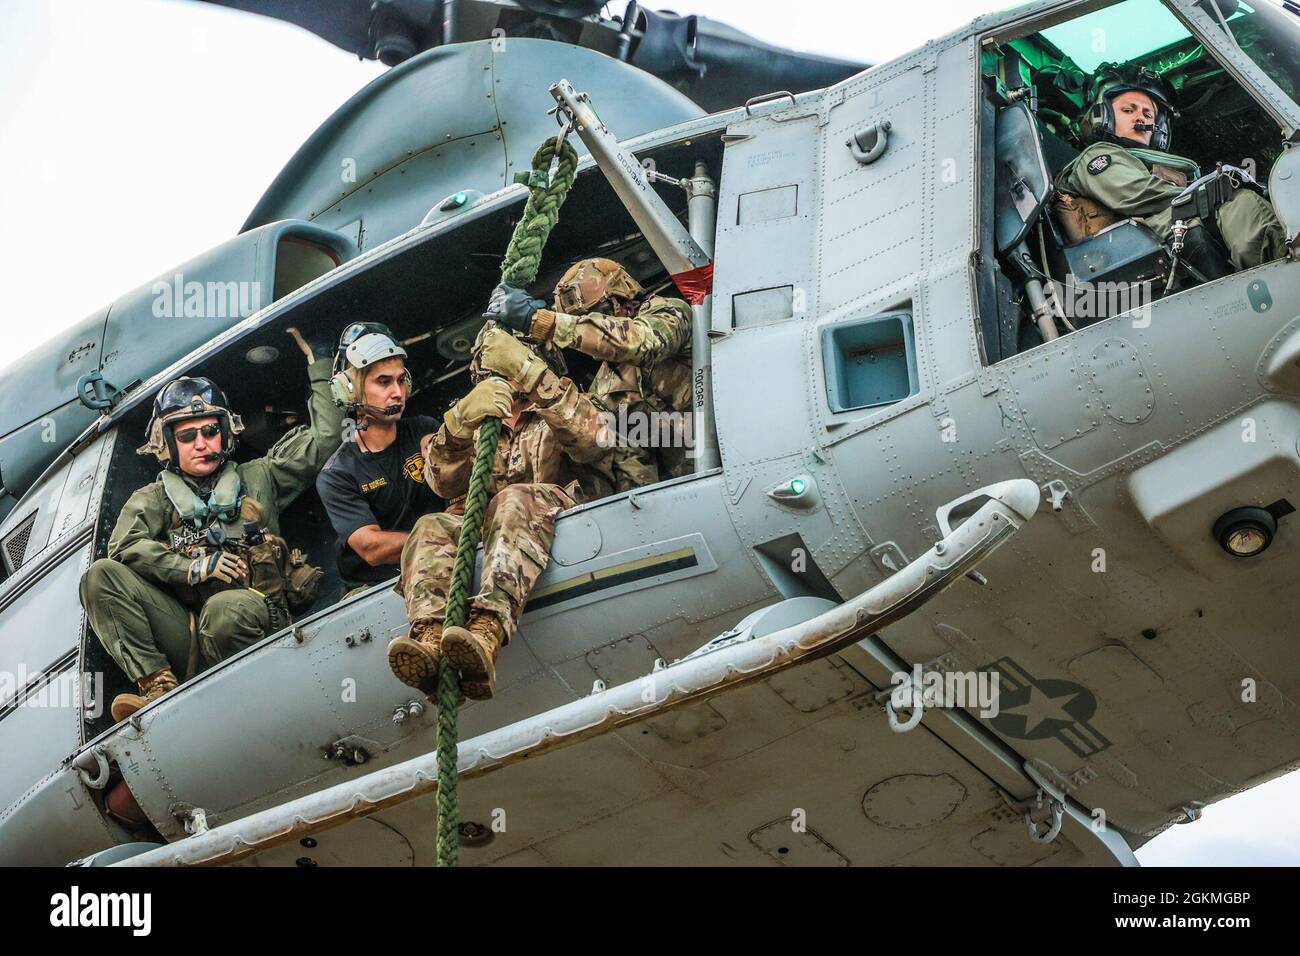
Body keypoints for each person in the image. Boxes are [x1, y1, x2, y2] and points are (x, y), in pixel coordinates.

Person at [79, 328, 343, 721]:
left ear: (225, 433)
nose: (202, 443)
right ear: (168, 443)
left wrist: (320, 364)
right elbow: (124, 549)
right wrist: (193, 568)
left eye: (210, 431)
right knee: (98, 576)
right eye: (187, 436)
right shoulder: (153, 500)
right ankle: (157, 684)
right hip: (187, 631)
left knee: (225, 610)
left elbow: (326, 438)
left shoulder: (259, 477)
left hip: (255, 613)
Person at [386, 326, 610, 701]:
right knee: (428, 525)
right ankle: (432, 643)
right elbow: (442, 483)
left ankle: (488, 630)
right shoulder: (484, 425)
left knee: (512, 499)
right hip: (500, 528)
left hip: (562, 516)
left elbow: (593, 442)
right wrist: (458, 425)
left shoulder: (564, 402)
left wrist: (534, 376)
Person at [1055, 63, 1286, 274]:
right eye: (1128, 110)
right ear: (1102, 116)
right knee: (1239, 200)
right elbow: (1134, 193)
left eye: (1148, 114)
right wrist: (1215, 192)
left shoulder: (1158, 166)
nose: (1140, 119)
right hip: (1159, 246)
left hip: (1181, 241)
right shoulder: (1097, 156)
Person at [484, 258, 694, 490]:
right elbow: (626, 459)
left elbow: (641, 342)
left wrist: (542, 322)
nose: (593, 328)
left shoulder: (670, 313)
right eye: (585, 320)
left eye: (599, 314)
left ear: (621, 300)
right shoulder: (604, 388)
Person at [316, 323, 444, 593]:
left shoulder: (424, 430)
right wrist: (439, 534)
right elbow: (373, 549)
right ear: (350, 390)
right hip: (378, 588)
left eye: (400, 380)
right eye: (383, 381)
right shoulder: (337, 474)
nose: (397, 392)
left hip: (440, 562)